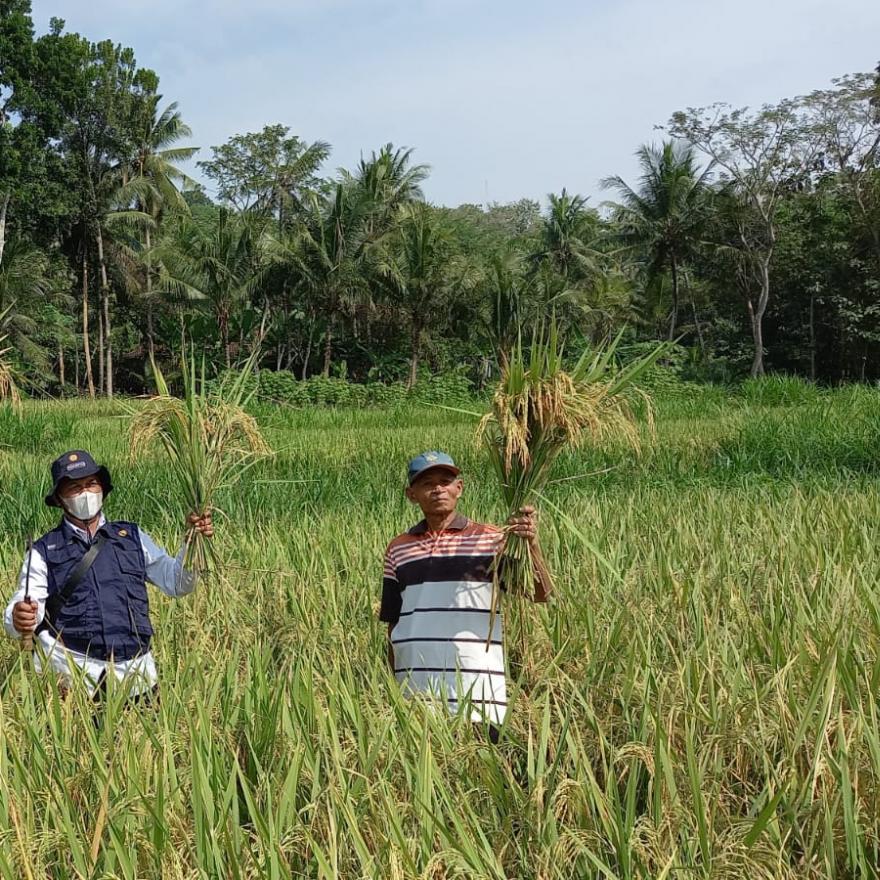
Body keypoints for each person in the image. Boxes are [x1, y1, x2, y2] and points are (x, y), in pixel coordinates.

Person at [3, 449, 213, 700]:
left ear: (102, 489)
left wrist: (192, 542)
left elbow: (178, 583)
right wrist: (19, 617)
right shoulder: (43, 550)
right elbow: (25, 608)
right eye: (74, 487)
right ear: (59, 498)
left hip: (137, 676)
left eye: (91, 484)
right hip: (73, 680)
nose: (85, 493)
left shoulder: (132, 538)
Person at [380, 450, 551, 741]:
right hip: (415, 687)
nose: (437, 489)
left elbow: (540, 593)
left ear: (459, 489)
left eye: (445, 481)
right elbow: (393, 622)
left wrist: (531, 544)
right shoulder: (398, 548)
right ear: (411, 494)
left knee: (485, 767)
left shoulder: (489, 539)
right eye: (427, 483)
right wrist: (392, 683)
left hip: (477, 685)